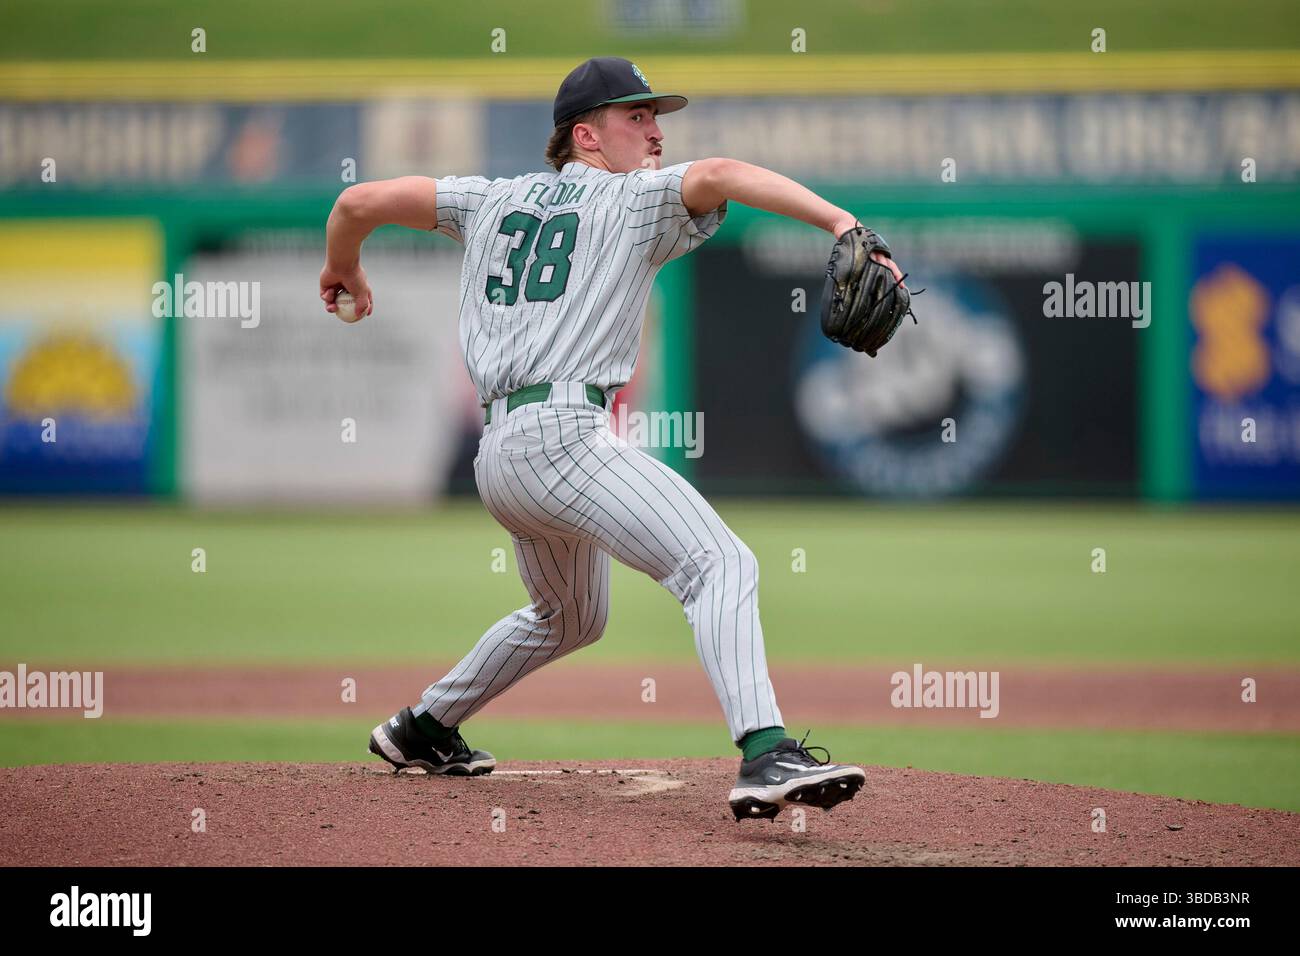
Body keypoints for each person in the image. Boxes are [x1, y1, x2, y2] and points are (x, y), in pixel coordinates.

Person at [320, 57, 902, 820]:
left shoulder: (487, 199)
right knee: (718, 561)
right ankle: (766, 753)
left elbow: (357, 200)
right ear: (585, 135)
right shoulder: (632, 200)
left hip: (499, 457)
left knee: (570, 617)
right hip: (563, 438)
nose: (656, 131)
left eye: (656, 116)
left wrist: (344, 270)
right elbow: (723, 172)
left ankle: (423, 727)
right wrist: (842, 222)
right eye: (637, 117)